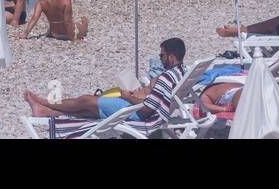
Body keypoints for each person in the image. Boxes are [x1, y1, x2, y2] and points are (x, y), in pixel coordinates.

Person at [23, 38, 187, 125]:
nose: (160, 58)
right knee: (90, 108)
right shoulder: (182, 72)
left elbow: (146, 110)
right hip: (149, 112)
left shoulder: (166, 78)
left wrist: (126, 97)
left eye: (162, 55)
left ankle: (46, 102)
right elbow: (153, 102)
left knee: (85, 100)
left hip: (139, 115)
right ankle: (44, 111)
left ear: (171, 57)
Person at [20, 0, 88, 42]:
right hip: (68, 34)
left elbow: (34, 19)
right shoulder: (66, 0)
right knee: (83, 27)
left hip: (54, 34)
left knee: (72, 23)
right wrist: (73, 39)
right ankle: (85, 23)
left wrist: (25, 34)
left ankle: (83, 22)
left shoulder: (41, 2)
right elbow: (68, 21)